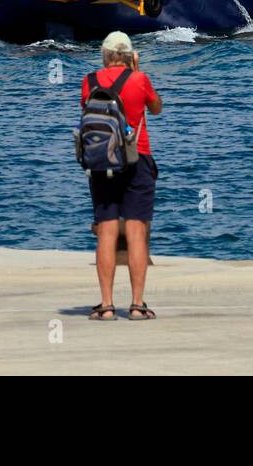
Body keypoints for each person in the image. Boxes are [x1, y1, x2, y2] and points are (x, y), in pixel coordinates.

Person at [81, 30, 162, 321]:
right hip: (136, 158)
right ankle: (138, 306)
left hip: (102, 162)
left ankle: (106, 306)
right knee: (137, 231)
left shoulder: (88, 81)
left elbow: (88, 112)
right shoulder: (139, 79)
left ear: (104, 55)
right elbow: (155, 108)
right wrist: (136, 72)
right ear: (128, 56)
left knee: (106, 231)